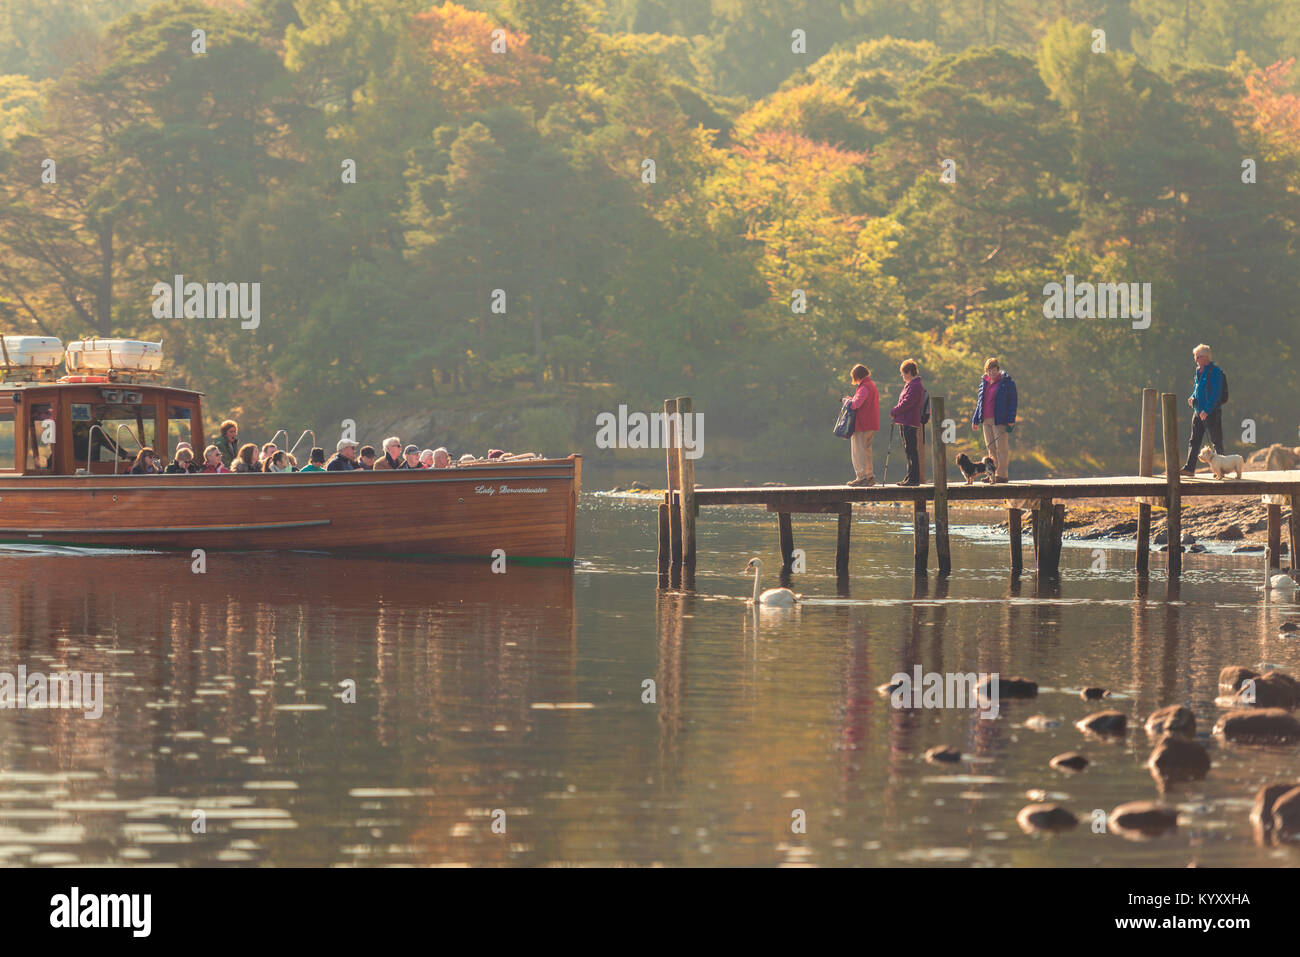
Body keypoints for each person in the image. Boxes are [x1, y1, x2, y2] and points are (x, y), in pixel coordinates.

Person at [971, 357, 1018, 483]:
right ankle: (992, 474)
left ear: (998, 369)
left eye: (993, 370)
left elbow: (1013, 402)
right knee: (990, 448)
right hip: (985, 420)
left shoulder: (1007, 383)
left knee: (1001, 448)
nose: (991, 373)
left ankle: (1002, 475)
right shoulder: (983, 384)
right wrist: (975, 420)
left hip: (1000, 420)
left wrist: (1011, 419)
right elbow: (980, 403)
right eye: (989, 370)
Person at [1182, 344, 1226, 476]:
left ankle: (1221, 470)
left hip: (1211, 412)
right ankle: (1189, 469)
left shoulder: (1215, 372)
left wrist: (1206, 410)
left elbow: (1216, 394)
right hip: (1197, 412)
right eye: (1195, 357)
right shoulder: (1198, 371)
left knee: (1216, 441)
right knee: (1194, 440)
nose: (1196, 360)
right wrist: (1192, 397)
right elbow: (1197, 390)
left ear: (1206, 357)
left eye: (1198, 357)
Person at [842, 363, 879, 486]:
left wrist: (847, 401)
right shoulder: (872, 385)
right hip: (871, 424)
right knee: (866, 451)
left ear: (857, 376)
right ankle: (869, 477)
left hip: (862, 424)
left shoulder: (864, 387)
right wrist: (853, 399)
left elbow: (855, 405)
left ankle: (861, 477)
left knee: (858, 452)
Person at [890, 359, 924, 487]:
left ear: (909, 372)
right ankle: (910, 476)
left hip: (909, 421)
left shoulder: (915, 385)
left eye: (903, 373)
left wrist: (894, 410)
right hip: (905, 420)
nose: (902, 375)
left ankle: (914, 479)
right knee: (908, 450)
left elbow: (908, 402)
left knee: (911, 450)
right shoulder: (910, 385)